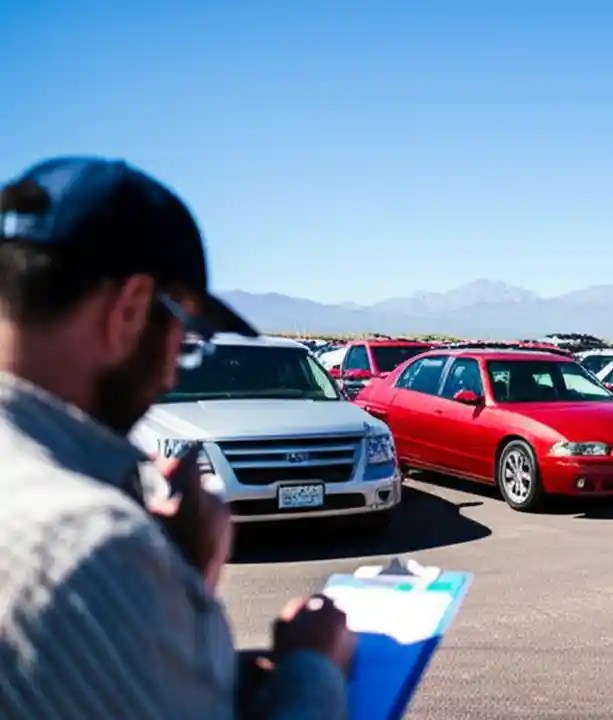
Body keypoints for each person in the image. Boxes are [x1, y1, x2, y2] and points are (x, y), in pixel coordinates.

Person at [0, 157, 353, 719]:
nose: (171, 373)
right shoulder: (90, 545)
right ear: (131, 310)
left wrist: (176, 582)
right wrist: (314, 666)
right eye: (187, 338)